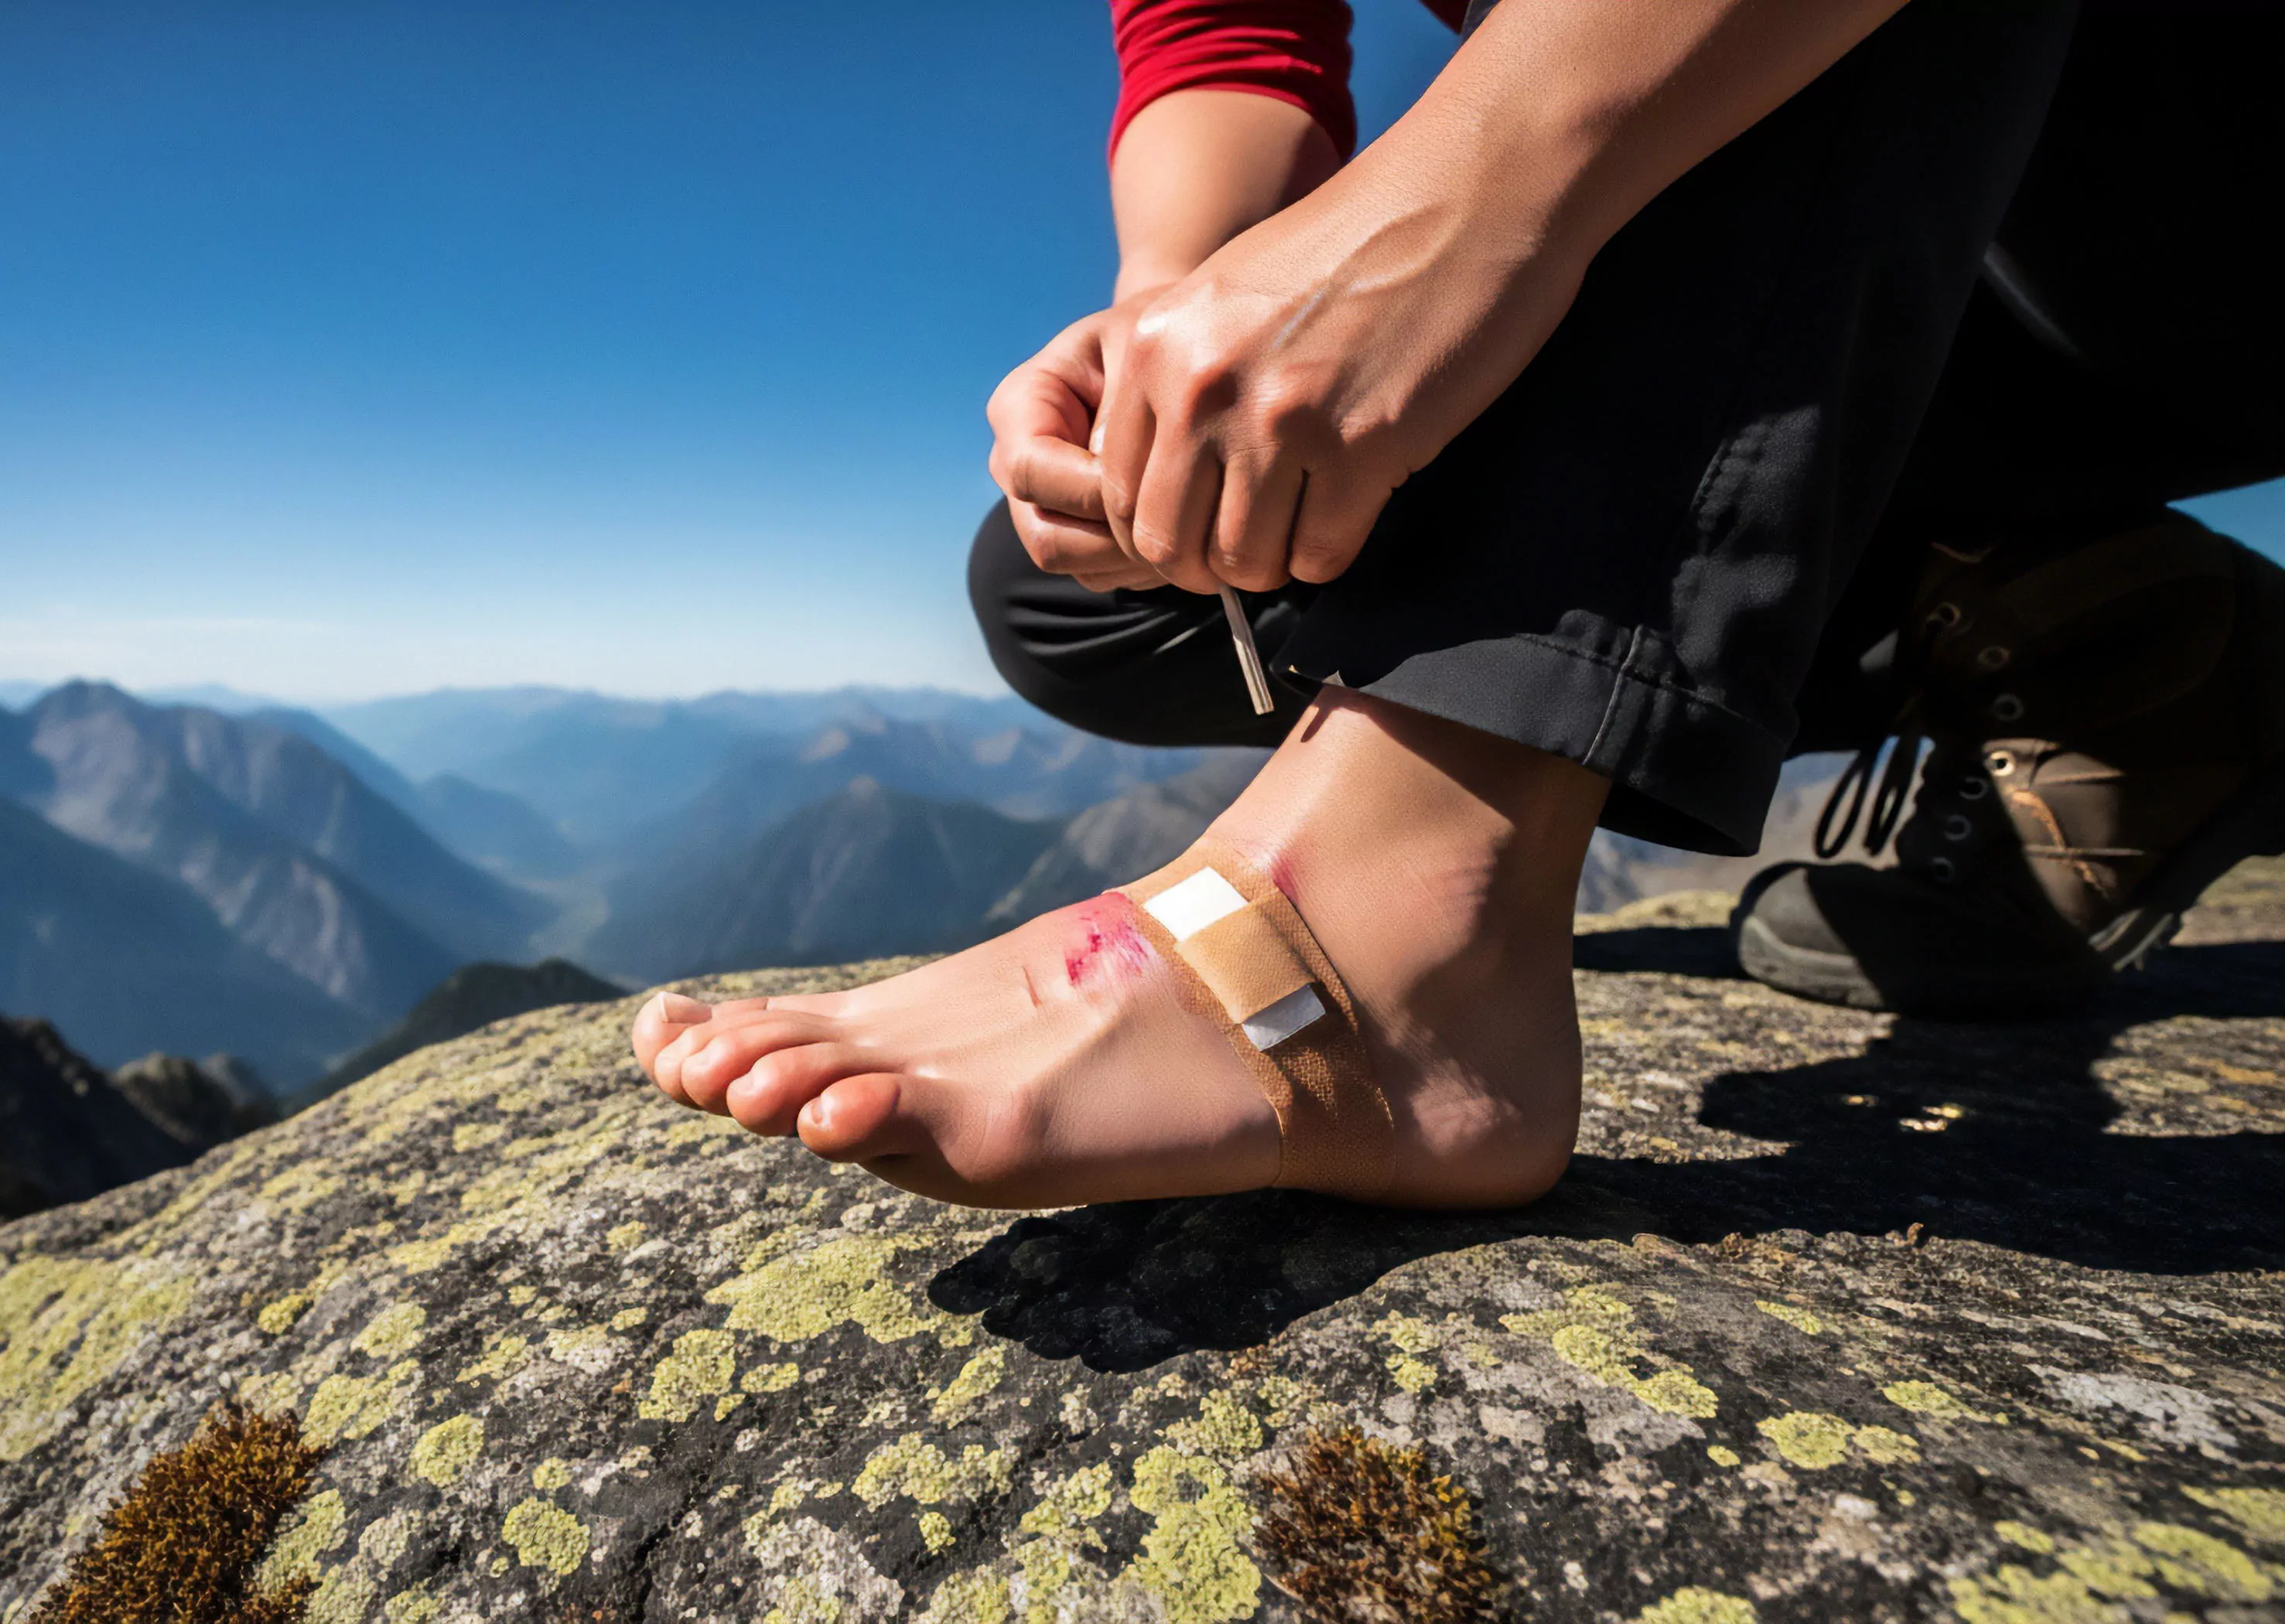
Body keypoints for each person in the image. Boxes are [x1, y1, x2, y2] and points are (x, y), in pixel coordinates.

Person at [634, 0, 2285, 1209]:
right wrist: (1178, 339)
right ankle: (2114, 631)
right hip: (1890, 269)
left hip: (2166, 184)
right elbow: (1225, 42)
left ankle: (1390, 926)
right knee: (1109, 585)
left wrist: (1468, 201)